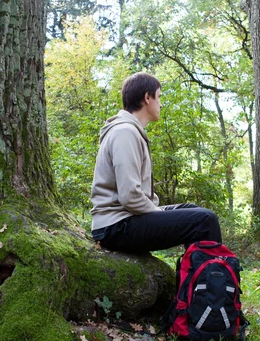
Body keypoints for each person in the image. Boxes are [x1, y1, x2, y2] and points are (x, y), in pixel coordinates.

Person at [90, 72, 222, 253]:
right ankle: (209, 280)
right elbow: (129, 196)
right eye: (158, 97)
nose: (160, 103)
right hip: (115, 226)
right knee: (204, 220)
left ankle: (197, 275)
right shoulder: (125, 132)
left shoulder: (130, 131)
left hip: (123, 220)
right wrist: (159, 213)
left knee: (193, 210)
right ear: (147, 97)